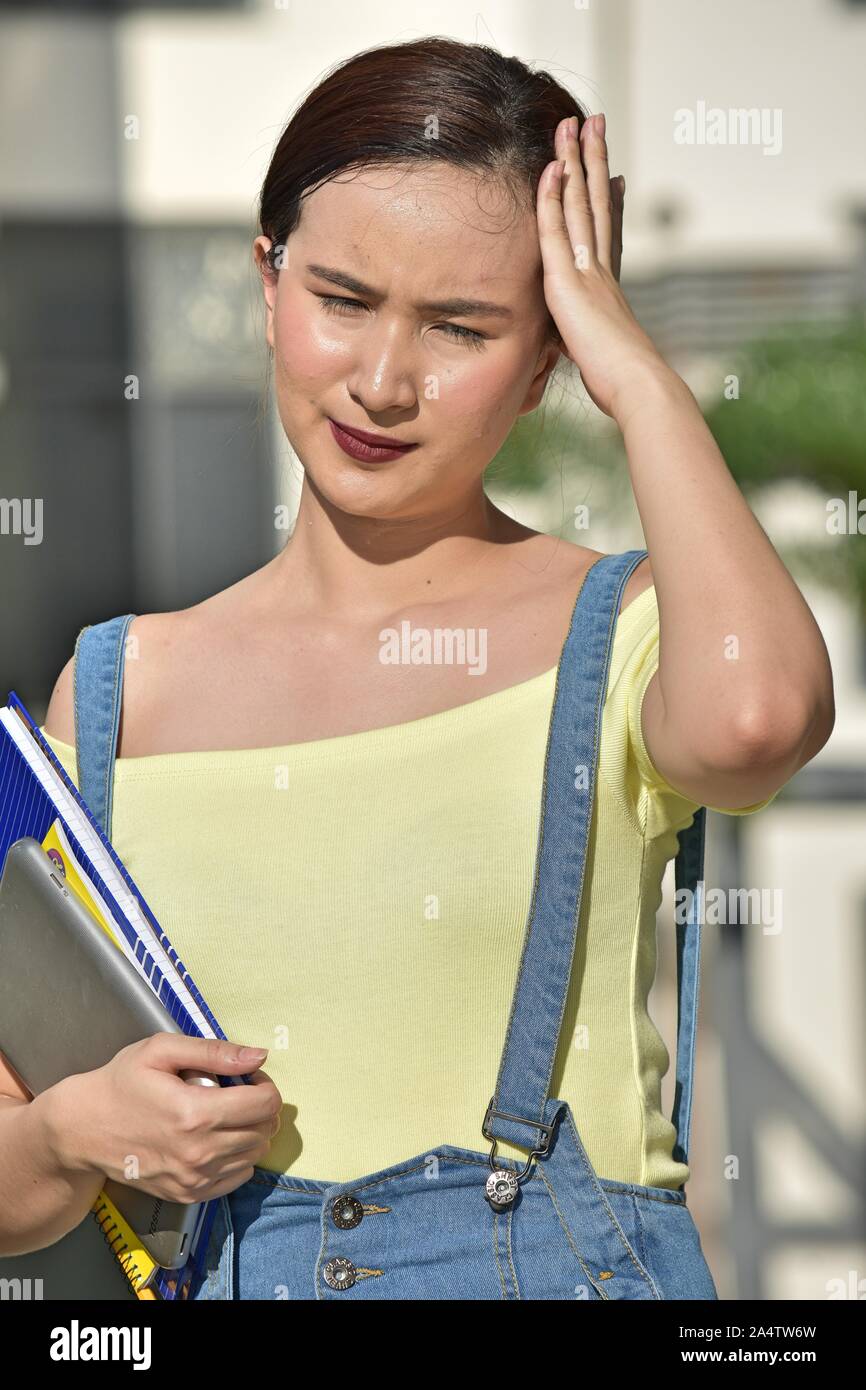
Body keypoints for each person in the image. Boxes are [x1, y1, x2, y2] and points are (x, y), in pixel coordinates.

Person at [0, 38, 834, 1299]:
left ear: (548, 355)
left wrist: (641, 375)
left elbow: (758, 719)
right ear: (265, 281)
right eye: (340, 299)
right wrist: (76, 1131)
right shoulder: (116, 694)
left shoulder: (615, 629)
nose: (383, 382)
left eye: (461, 326)